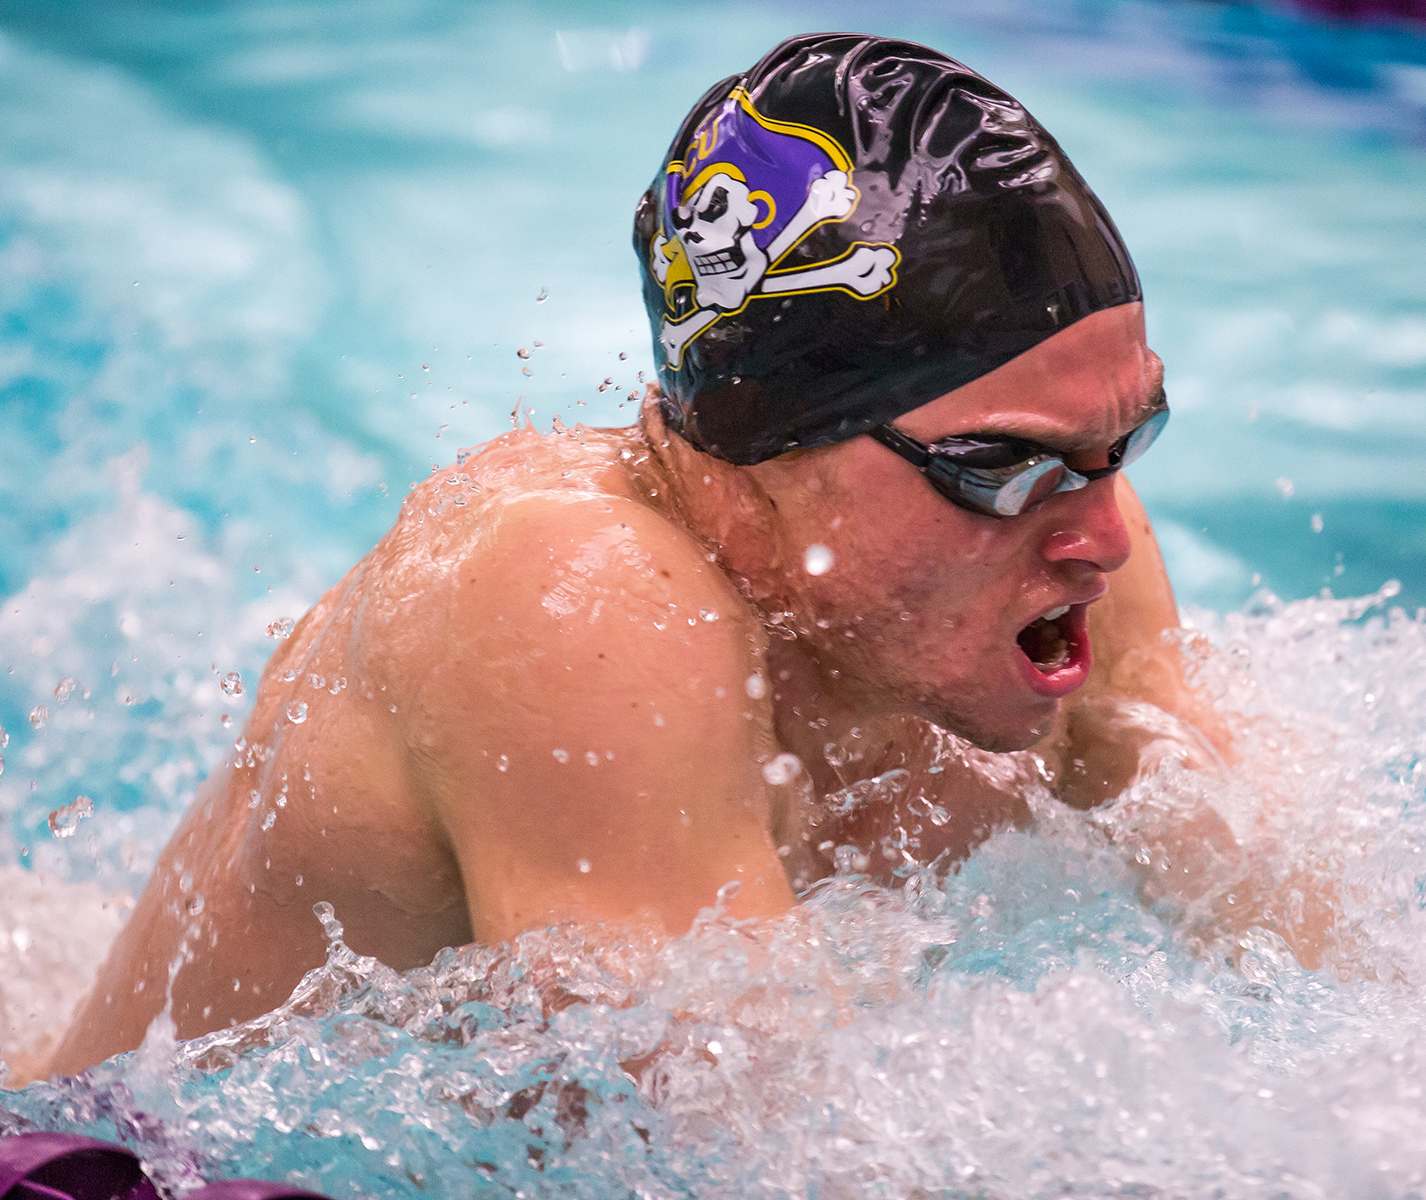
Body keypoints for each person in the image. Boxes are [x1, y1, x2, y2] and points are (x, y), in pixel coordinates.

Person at [48, 33, 1309, 1079]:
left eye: (1122, 441)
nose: (1100, 532)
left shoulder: (1059, 551)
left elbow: (1312, 979)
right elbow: (733, 1157)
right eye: (1002, 467)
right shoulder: (577, 605)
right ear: (772, 441)